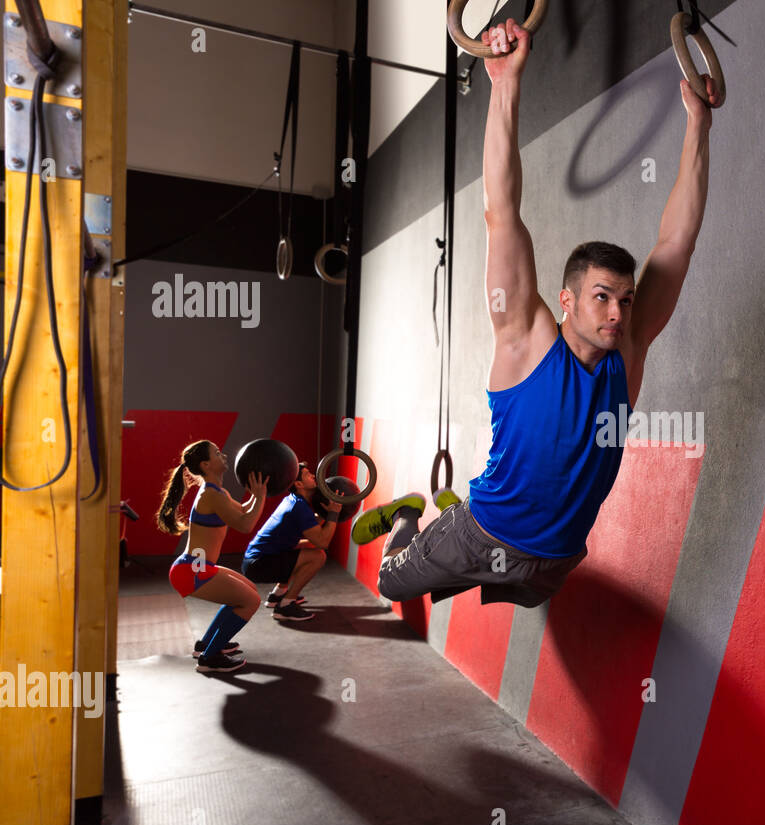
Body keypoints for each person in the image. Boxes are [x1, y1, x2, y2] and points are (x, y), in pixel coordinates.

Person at [350, 18, 717, 608]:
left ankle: (450, 529)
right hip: (484, 533)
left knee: (519, 600)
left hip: (558, 556)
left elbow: (676, 243)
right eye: (602, 297)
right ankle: (408, 518)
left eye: (624, 299)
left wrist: (698, 123)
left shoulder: (628, 351)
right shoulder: (526, 337)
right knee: (395, 582)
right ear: (567, 299)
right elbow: (501, 211)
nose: (619, 312)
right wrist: (504, 84)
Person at [156, 440, 267, 673]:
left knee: (247, 591)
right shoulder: (210, 494)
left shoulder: (218, 493)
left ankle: (205, 644)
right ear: (206, 465)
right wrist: (261, 494)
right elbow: (246, 524)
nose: (223, 454)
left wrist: (256, 495)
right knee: (250, 601)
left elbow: (244, 509)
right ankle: (210, 658)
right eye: (216, 453)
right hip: (192, 569)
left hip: (196, 565)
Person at [240, 461, 342, 622]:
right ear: (299, 484)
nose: (313, 476)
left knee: (307, 544)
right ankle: (286, 605)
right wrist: (334, 514)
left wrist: (326, 513)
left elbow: (312, 528)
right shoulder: (299, 507)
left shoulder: (294, 500)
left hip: (255, 560)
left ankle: (277, 595)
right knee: (318, 555)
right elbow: (323, 541)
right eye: (308, 474)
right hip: (259, 565)